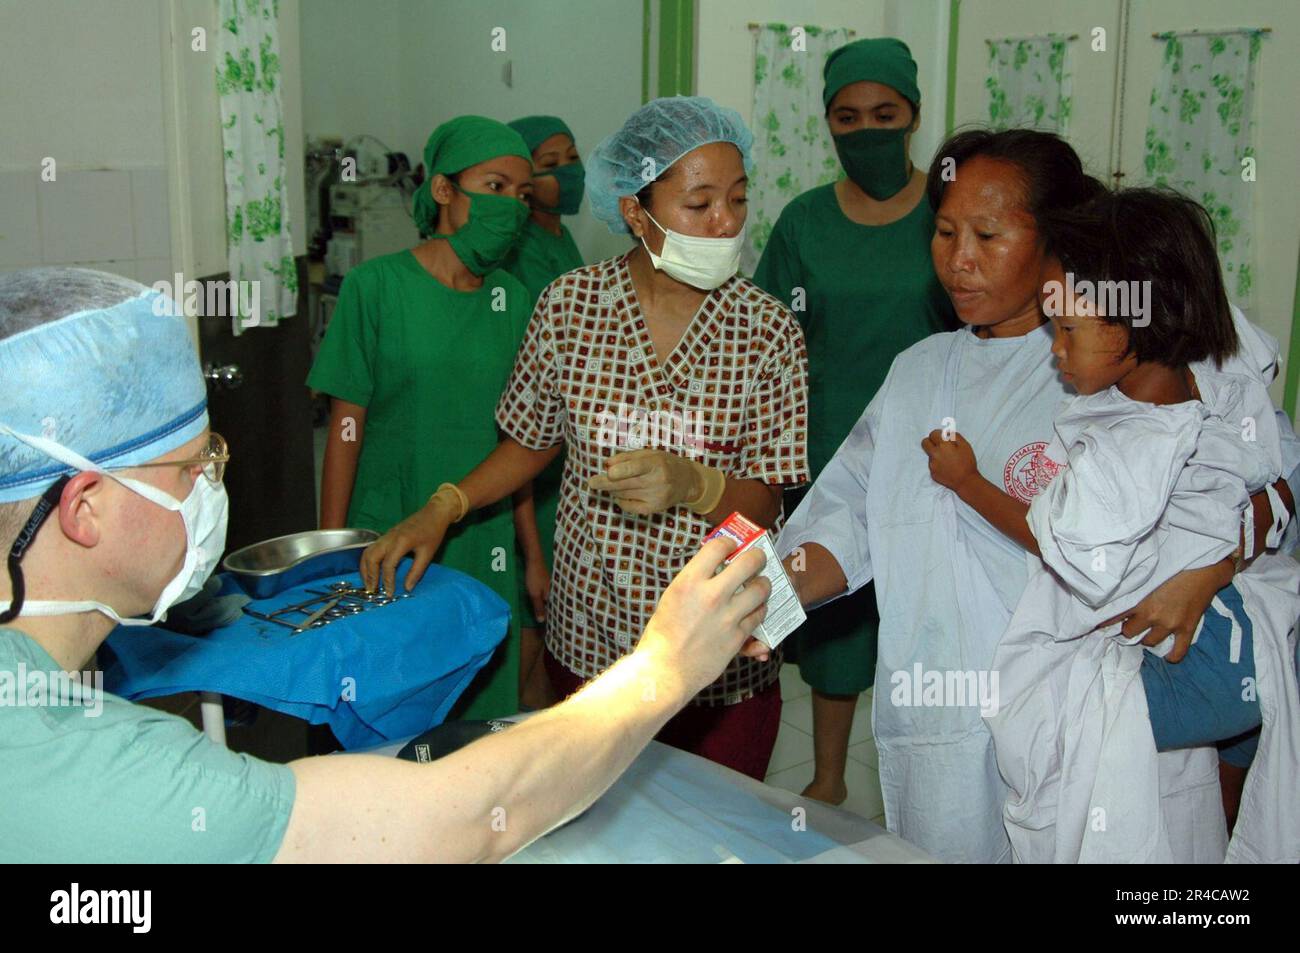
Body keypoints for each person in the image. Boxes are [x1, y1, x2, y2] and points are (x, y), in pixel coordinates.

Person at [0, 267, 773, 862]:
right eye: (192, 467)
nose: (213, 485)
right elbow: (460, 820)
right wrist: (665, 667)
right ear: (85, 508)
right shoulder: (87, 764)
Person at [763, 129, 1300, 863]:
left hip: (1099, 721)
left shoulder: (1128, 349)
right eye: (945, 232)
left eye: (988, 233)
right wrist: (760, 598)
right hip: (947, 719)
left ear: (1055, 237)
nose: (958, 258)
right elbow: (847, 512)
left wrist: (1208, 570)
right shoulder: (922, 371)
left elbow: (1268, 475)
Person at [361, 96, 810, 780]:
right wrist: (444, 505)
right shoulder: (570, 305)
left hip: (721, 647)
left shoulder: (767, 330)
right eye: (700, 204)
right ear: (637, 210)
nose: (726, 222)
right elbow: (532, 442)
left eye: (739, 198)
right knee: (599, 830)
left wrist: (697, 483)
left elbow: (768, 502)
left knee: (715, 835)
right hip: (593, 633)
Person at [925, 187, 1300, 861]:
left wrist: (968, 481)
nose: (1055, 351)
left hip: (1207, 662)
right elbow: (1270, 484)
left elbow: (1058, 540)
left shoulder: (1128, 444)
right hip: (1255, 631)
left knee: (1052, 724)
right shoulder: (1212, 375)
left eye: (1068, 330)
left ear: (1136, 327)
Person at [752, 36, 955, 805]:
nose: (866, 130)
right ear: (826, 122)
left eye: (884, 113)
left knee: (926, 620)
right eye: (847, 116)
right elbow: (767, 343)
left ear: (914, 115)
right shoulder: (804, 223)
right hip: (826, 452)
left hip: (937, 455)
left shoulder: (945, 217)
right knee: (835, 629)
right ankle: (829, 782)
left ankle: (930, 796)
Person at [309, 115, 535, 719]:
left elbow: (524, 441)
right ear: (443, 190)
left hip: (480, 536)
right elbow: (345, 428)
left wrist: (531, 555)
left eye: (522, 194)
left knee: (479, 711)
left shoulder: (512, 301)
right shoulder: (374, 288)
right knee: (392, 701)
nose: (510, 206)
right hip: (390, 531)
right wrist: (332, 551)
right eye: (495, 187)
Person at [502, 114, 588, 709]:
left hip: (572, 462)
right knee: (536, 623)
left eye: (573, 157)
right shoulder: (518, 250)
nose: (569, 174)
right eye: (550, 164)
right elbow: (526, 399)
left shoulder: (564, 239)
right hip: (533, 461)